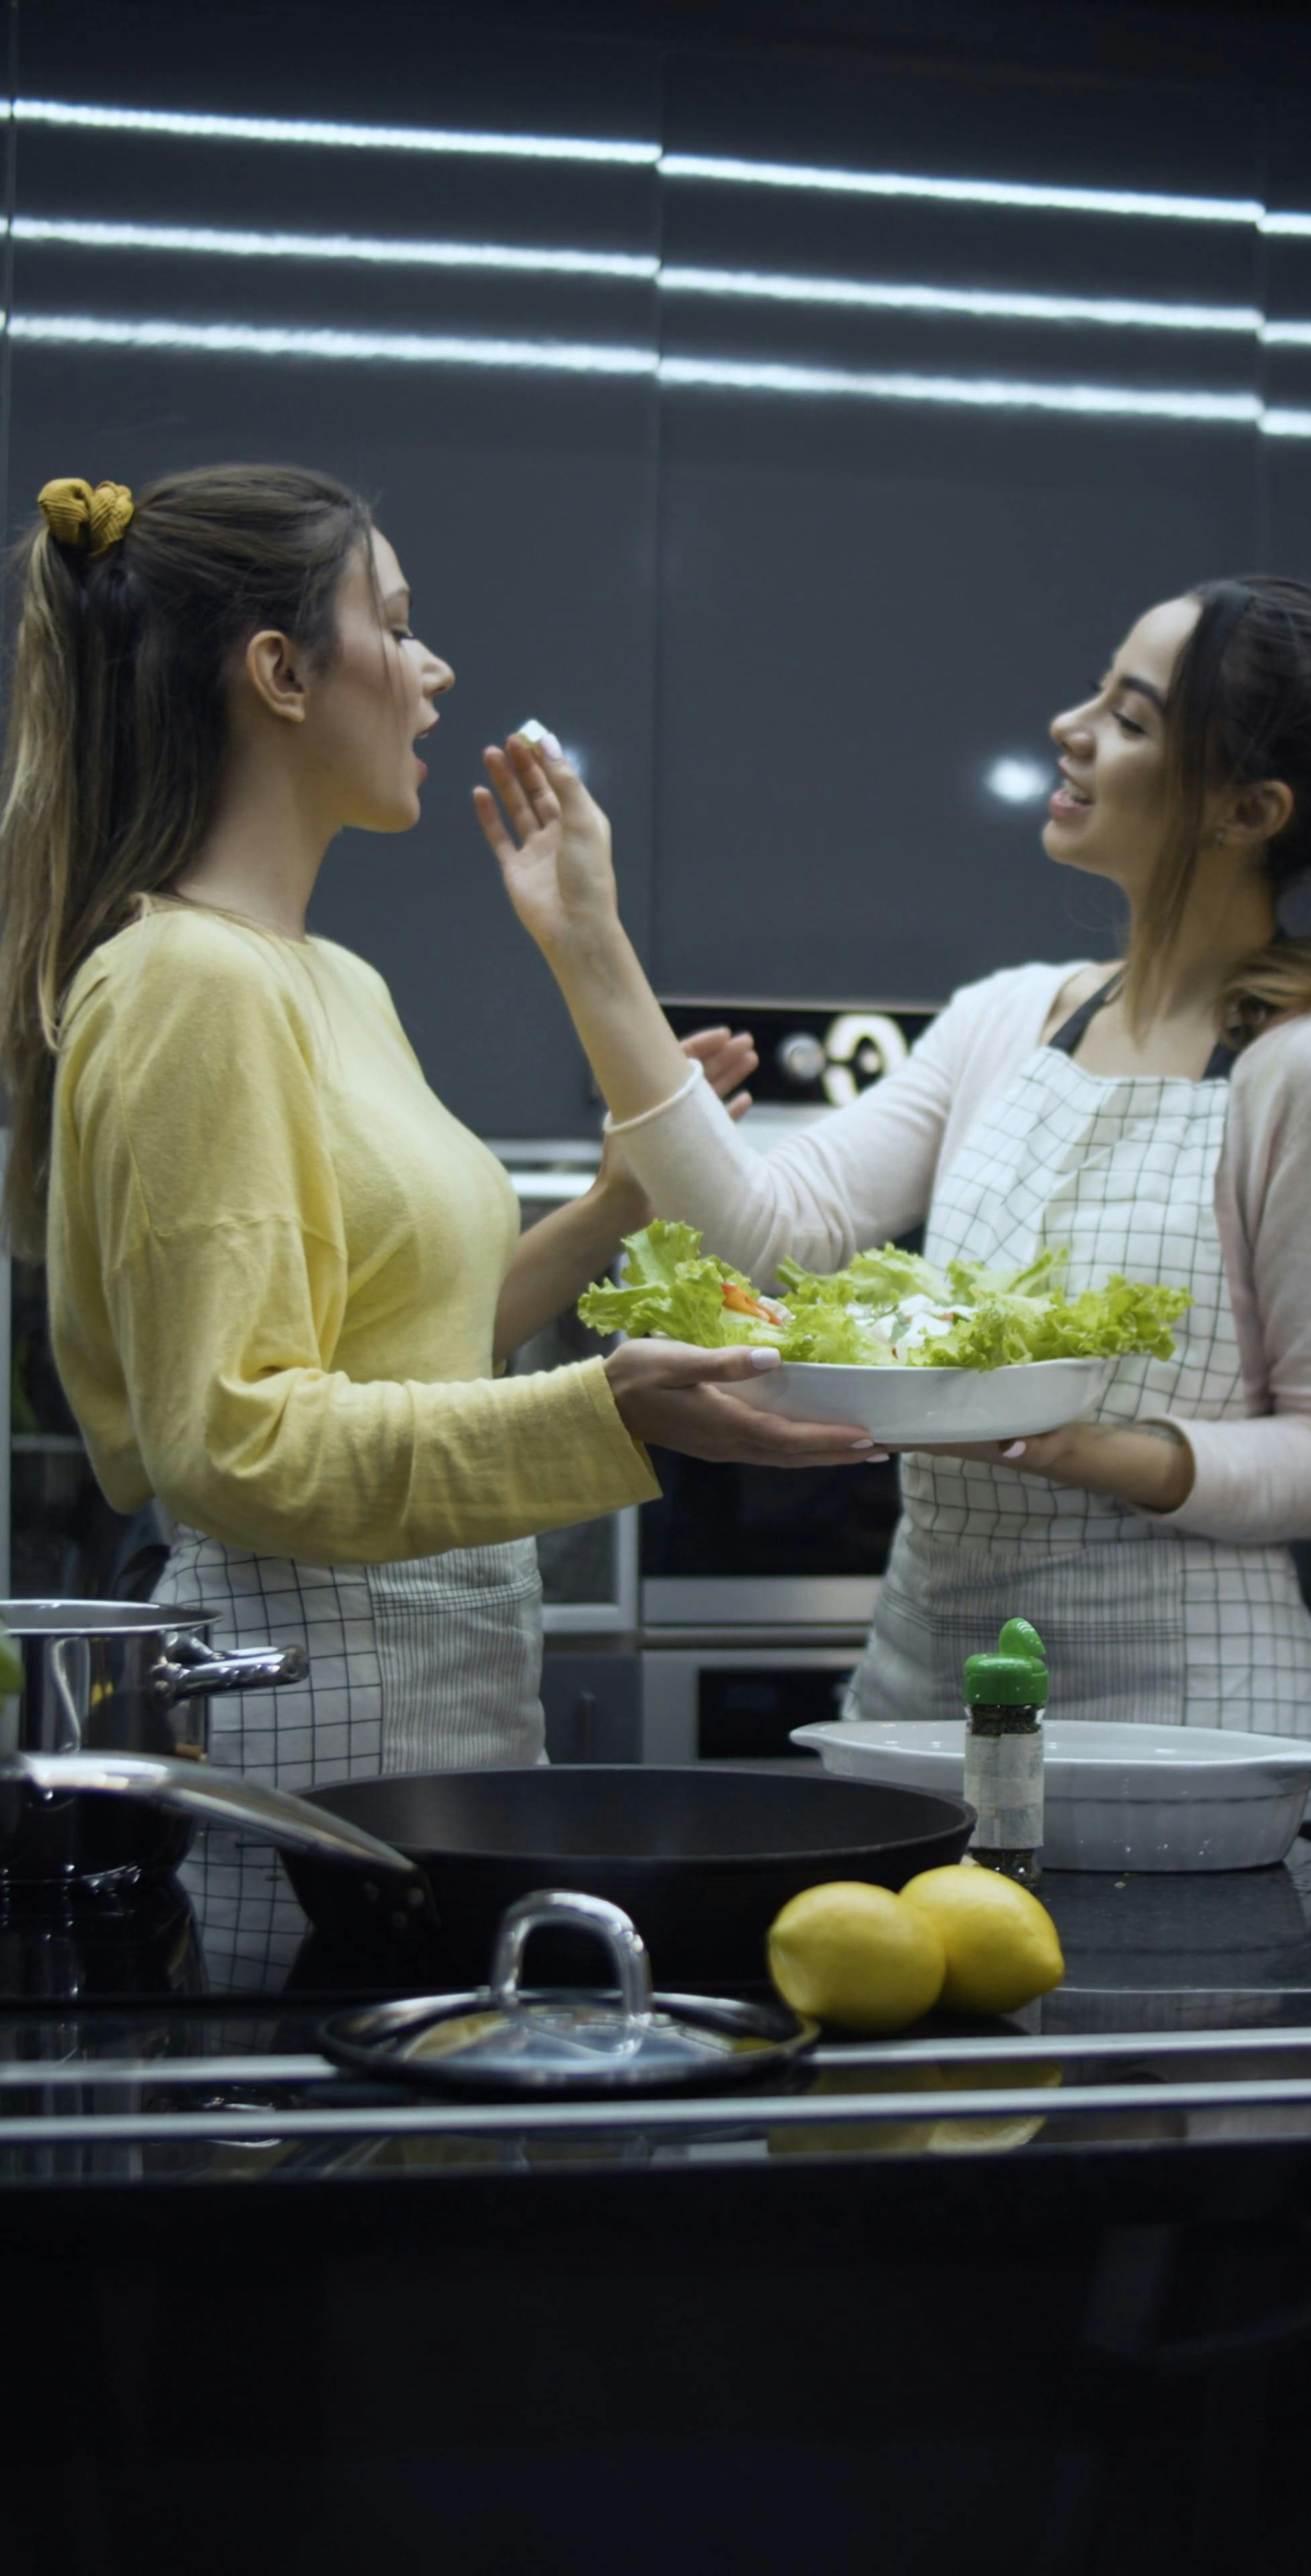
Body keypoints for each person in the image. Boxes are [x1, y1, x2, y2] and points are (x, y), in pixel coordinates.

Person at [0, 464, 878, 1981]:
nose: (433, 670)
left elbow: (402, 1346)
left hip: (434, 1671)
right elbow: (235, 1439)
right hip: (310, 1681)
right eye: (395, 627)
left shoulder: (334, 982)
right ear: (278, 672)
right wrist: (610, 1410)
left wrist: (612, 1207)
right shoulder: (185, 984)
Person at [475, 578, 1311, 1784]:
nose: (1072, 727)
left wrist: (1075, 1445)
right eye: (1097, 690)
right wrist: (591, 950)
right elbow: (766, 1233)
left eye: (1133, 719)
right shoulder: (1006, 1018)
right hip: (920, 1704)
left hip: (1188, 1726)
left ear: (1246, 810)